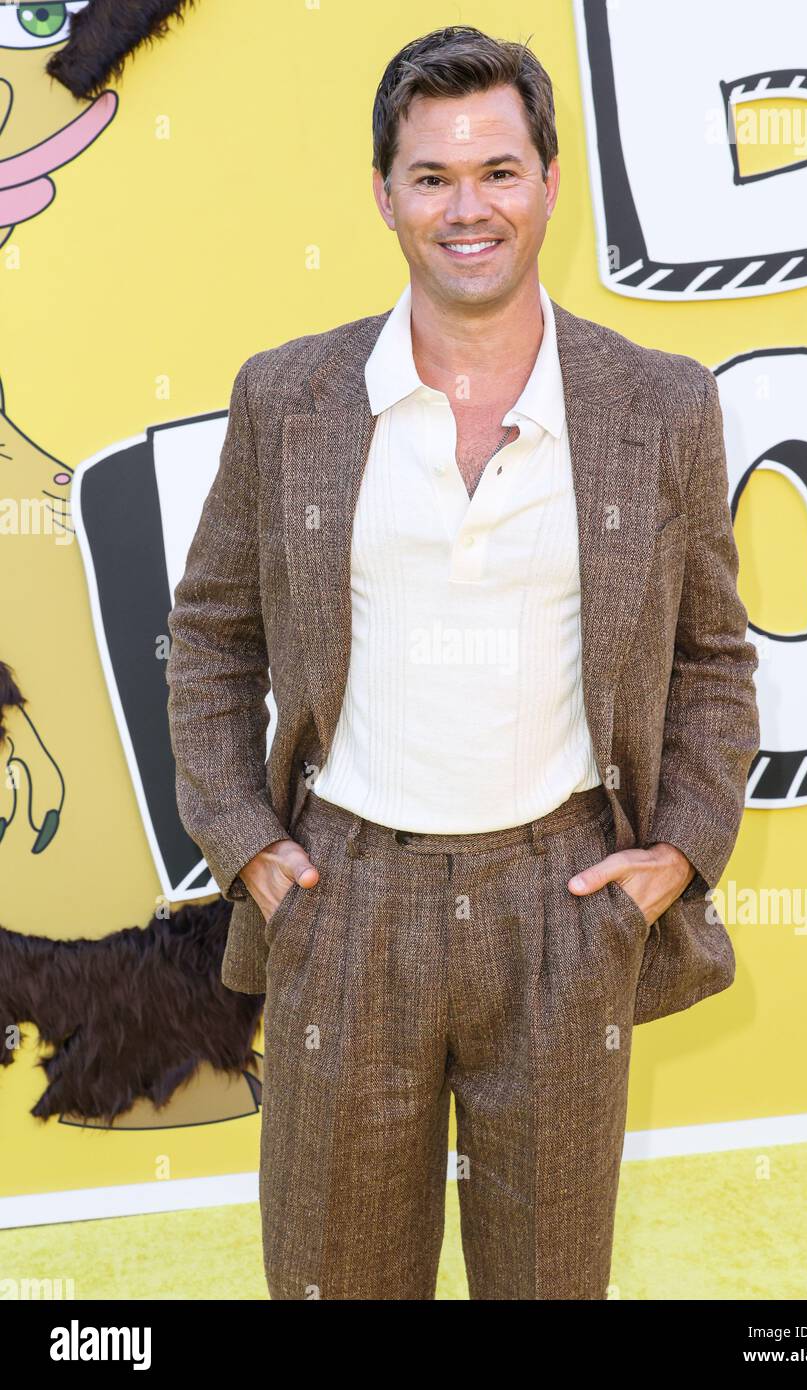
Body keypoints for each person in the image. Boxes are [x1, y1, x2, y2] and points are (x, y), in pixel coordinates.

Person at [165, 24, 760, 1300]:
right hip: (343, 898)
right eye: (430, 176)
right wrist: (243, 839)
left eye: (497, 169)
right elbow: (211, 633)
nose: (466, 206)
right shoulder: (291, 396)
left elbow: (713, 653)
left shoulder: (659, 402)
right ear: (382, 195)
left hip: (566, 899)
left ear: (550, 181)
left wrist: (683, 848)